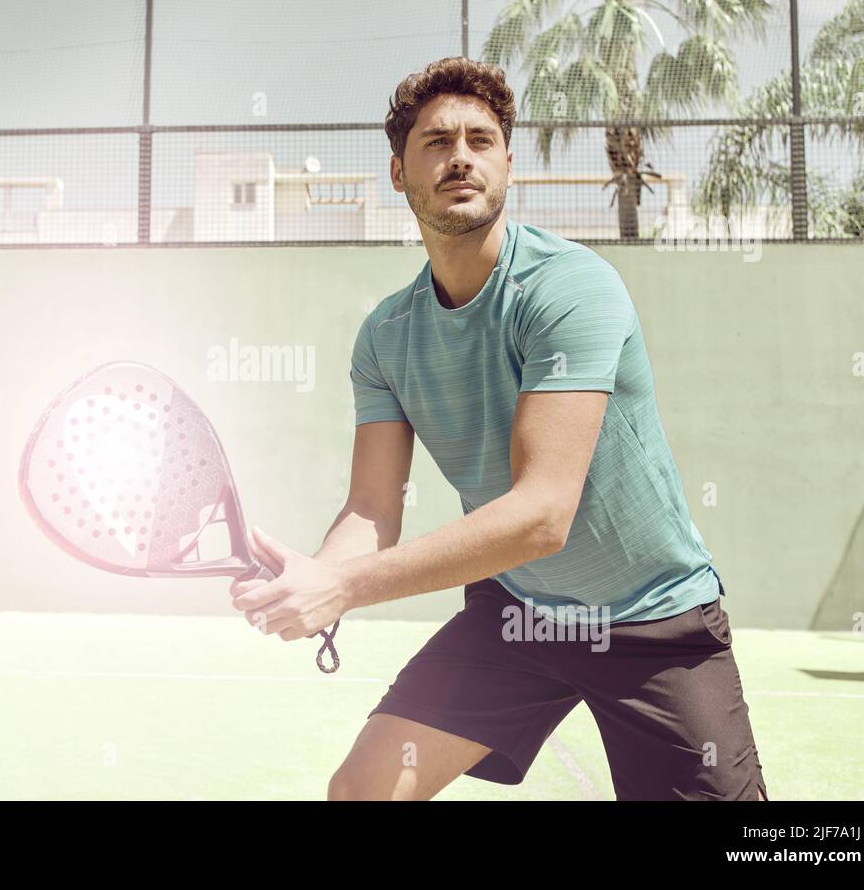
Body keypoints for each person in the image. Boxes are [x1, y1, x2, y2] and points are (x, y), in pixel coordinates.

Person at [229, 56, 767, 801]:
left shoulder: (570, 288)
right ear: (398, 172)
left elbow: (541, 516)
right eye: (437, 141)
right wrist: (315, 575)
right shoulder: (386, 337)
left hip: (653, 622)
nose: (460, 156)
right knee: (363, 791)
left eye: (481, 140)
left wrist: (342, 588)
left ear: (508, 164)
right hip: (519, 617)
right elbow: (372, 509)